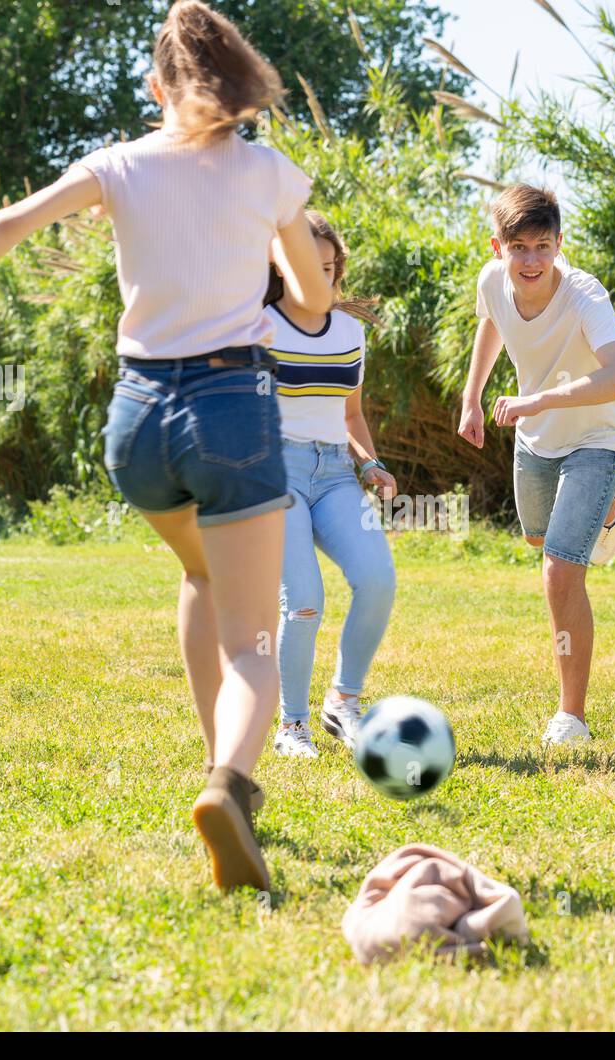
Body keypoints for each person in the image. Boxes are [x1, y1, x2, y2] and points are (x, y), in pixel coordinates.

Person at [0, 0, 334, 893]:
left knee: (201, 576)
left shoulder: (120, 165)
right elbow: (308, 300)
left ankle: (213, 760)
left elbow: (8, 226)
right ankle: (232, 787)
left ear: (157, 88)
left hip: (138, 420)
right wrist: (255, 269)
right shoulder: (269, 173)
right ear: (236, 85)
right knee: (256, 638)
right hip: (229, 407)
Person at [458, 184, 615, 747]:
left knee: (561, 570)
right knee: (541, 542)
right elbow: (491, 321)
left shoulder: (585, 295)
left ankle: (572, 717)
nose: (533, 260)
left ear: (561, 244)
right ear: (498, 248)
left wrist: (538, 399)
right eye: (520, 248)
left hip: (598, 436)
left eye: (544, 246)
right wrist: (472, 398)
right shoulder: (492, 282)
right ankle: (610, 510)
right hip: (537, 441)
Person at [263, 211, 397, 758]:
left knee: (378, 580)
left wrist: (371, 464)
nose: (320, 282)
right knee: (305, 601)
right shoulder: (259, 327)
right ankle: (291, 727)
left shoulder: (350, 332)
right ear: (279, 266)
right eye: (306, 269)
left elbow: (351, 417)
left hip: (337, 475)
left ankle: (343, 702)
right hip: (277, 474)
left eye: (328, 268)